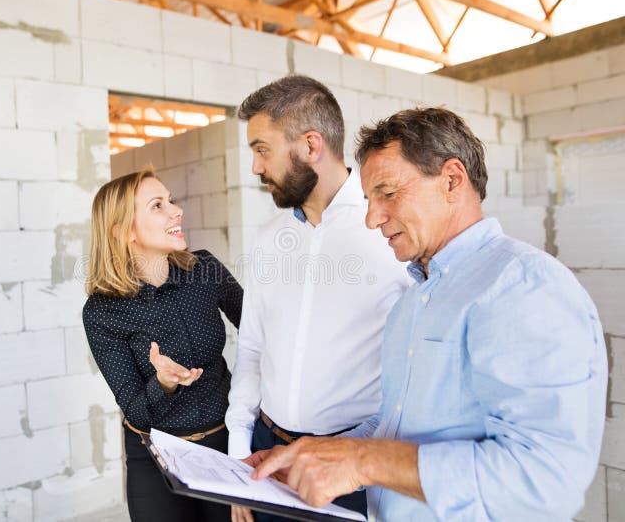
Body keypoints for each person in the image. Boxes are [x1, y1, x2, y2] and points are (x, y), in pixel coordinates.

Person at [248, 107, 608, 522]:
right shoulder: (413, 303)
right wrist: (312, 455)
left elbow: (544, 480)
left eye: (387, 192)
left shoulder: (522, 287)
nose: (372, 218)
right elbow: (394, 426)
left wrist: (362, 460)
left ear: (451, 180)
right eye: (368, 200)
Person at [226, 75, 409, 522]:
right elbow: (252, 347)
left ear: (311, 145)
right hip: (264, 457)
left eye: (262, 150)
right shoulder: (268, 239)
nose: (255, 168)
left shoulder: (391, 232)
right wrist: (238, 453)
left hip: (347, 466)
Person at [82, 167, 243, 522]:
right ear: (123, 231)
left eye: (170, 201)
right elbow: (135, 410)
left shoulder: (205, 269)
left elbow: (258, 335)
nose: (176, 211)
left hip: (224, 446)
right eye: (158, 206)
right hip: (156, 458)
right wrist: (164, 383)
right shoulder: (102, 311)